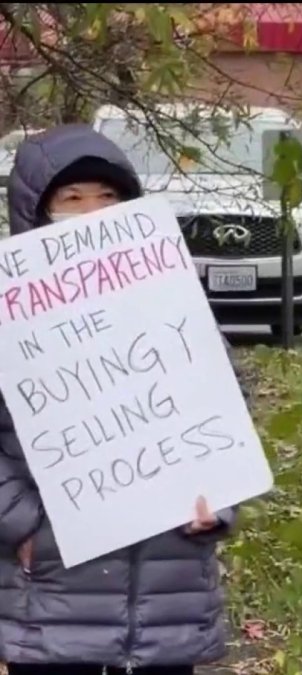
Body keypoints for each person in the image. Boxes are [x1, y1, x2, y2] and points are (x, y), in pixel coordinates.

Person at [0, 124, 244, 675]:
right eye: (72, 199)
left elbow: (224, 415)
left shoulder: (172, 304)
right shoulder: (9, 320)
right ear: (36, 213)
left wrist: (217, 503)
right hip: (56, 607)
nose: (91, 213)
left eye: (107, 198)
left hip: (166, 608)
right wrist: (27, 528)